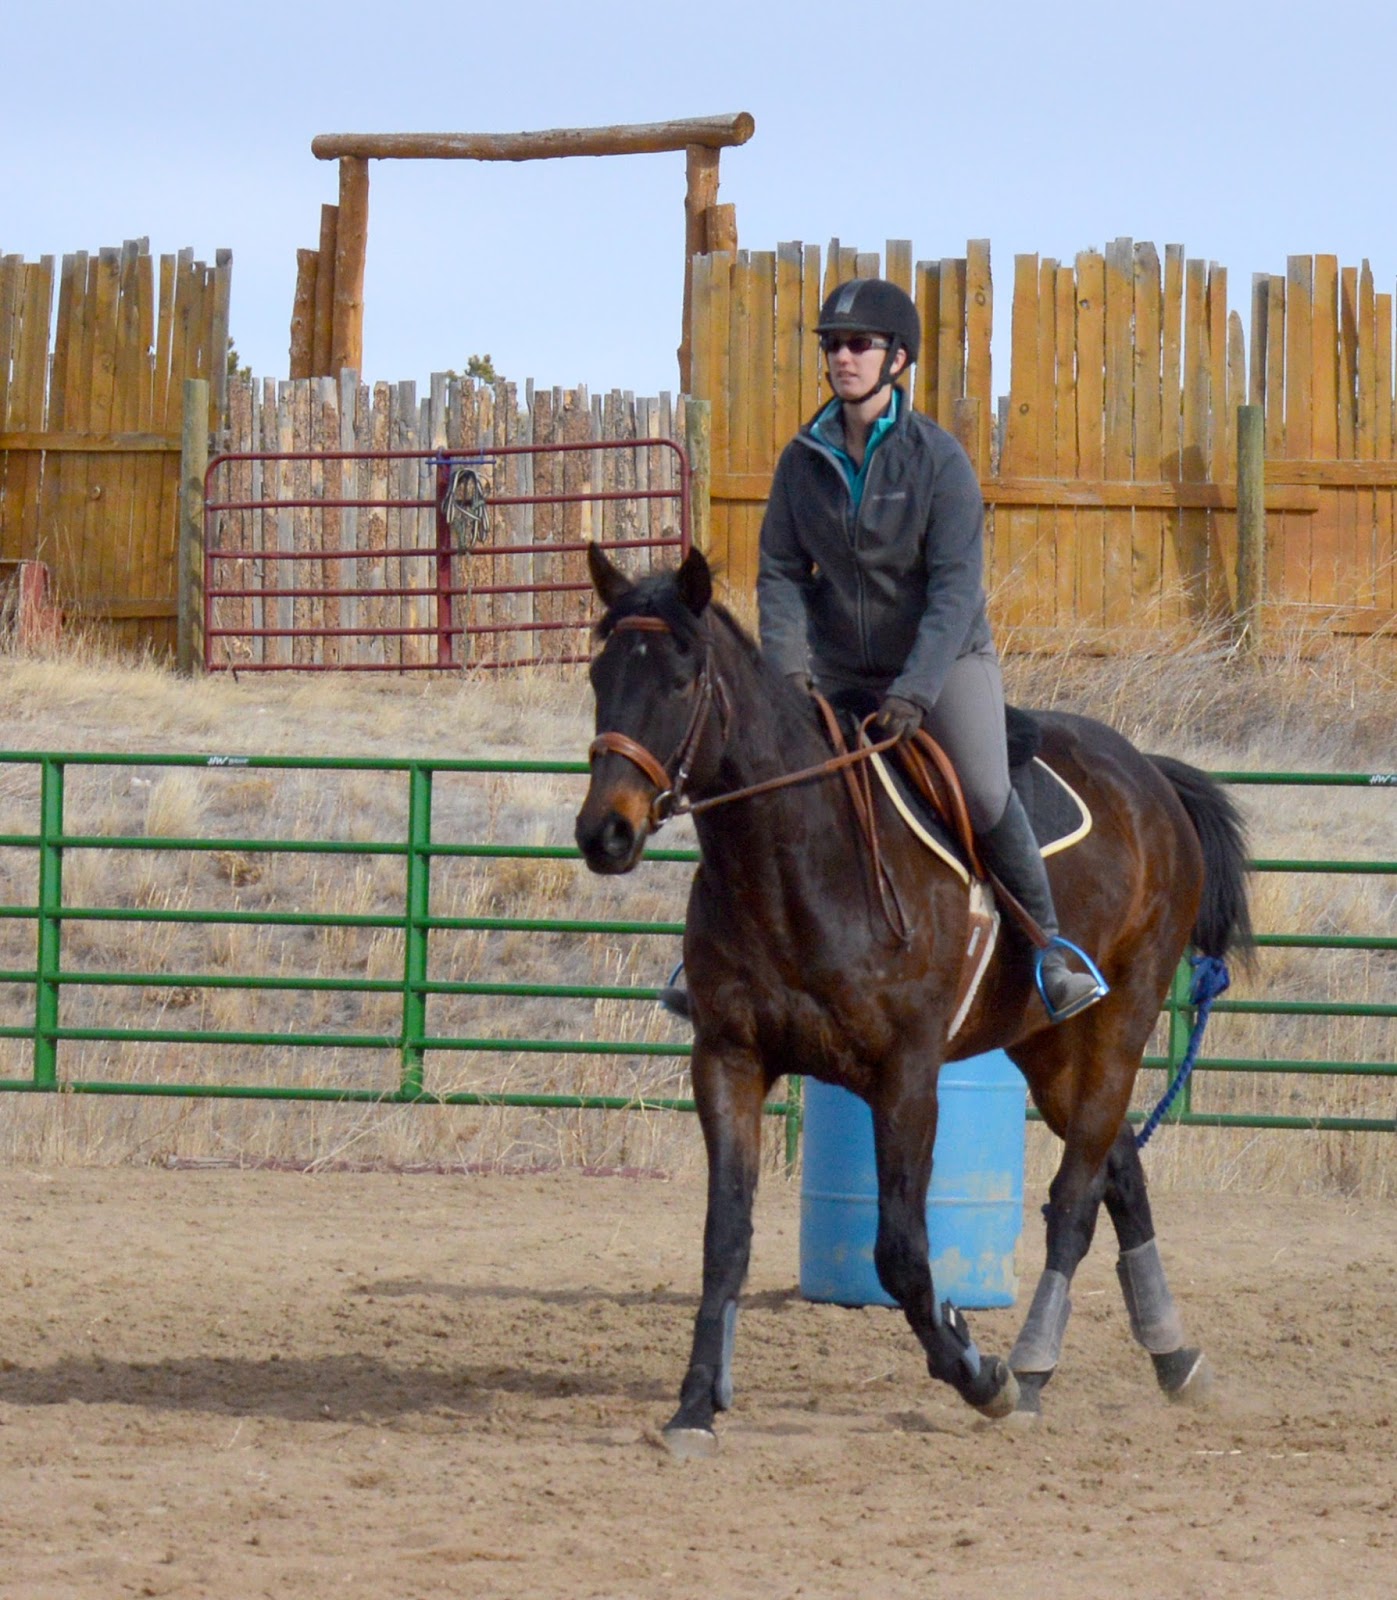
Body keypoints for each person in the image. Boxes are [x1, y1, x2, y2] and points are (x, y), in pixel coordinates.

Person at [753, 277, 1106, 1023]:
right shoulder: (799, 462)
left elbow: (953, 590)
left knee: (980, 790)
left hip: (944, 664)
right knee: (767, 782)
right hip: (835, 668)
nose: (842, 357)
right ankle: (719, 957)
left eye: (859, 344)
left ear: (897, 359)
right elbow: (780, 573)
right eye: (832, 345)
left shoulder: (936, 460)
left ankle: (1049, 947)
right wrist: (787, 675)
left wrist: (913, 691)